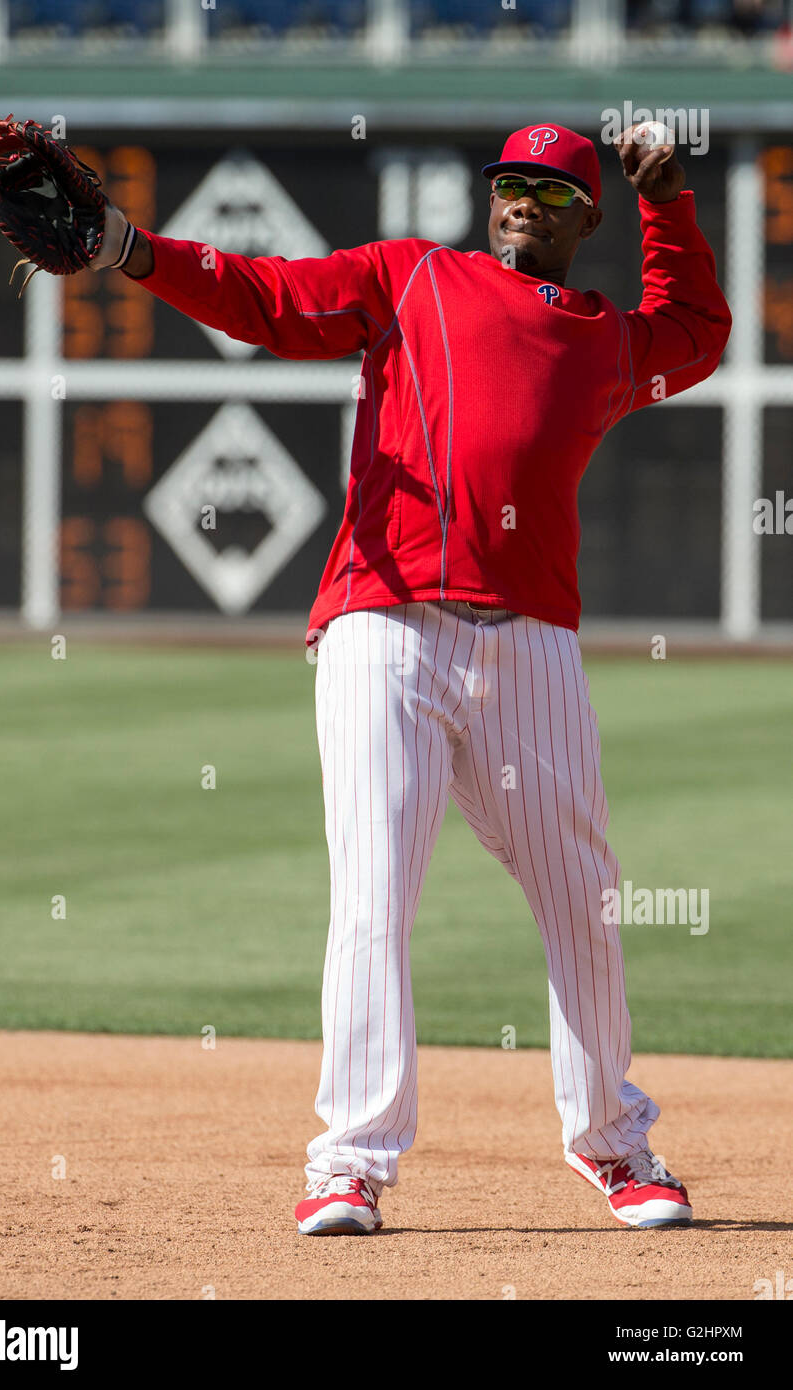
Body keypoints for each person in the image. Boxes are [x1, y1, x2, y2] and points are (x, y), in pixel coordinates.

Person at [112, 120, 732, 1236]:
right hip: (380, 622)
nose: (520, 201)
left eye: (548, 189)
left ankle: (613, 1144)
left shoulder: (604, 338)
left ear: (582, 216)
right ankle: (348, 1160)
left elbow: (696, 333)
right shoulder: (412, 277)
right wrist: (130, 248)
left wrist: (668, 205)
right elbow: (262, 295)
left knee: (582, 898)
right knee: (374, 895)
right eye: (508, 182)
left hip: (528, 641)